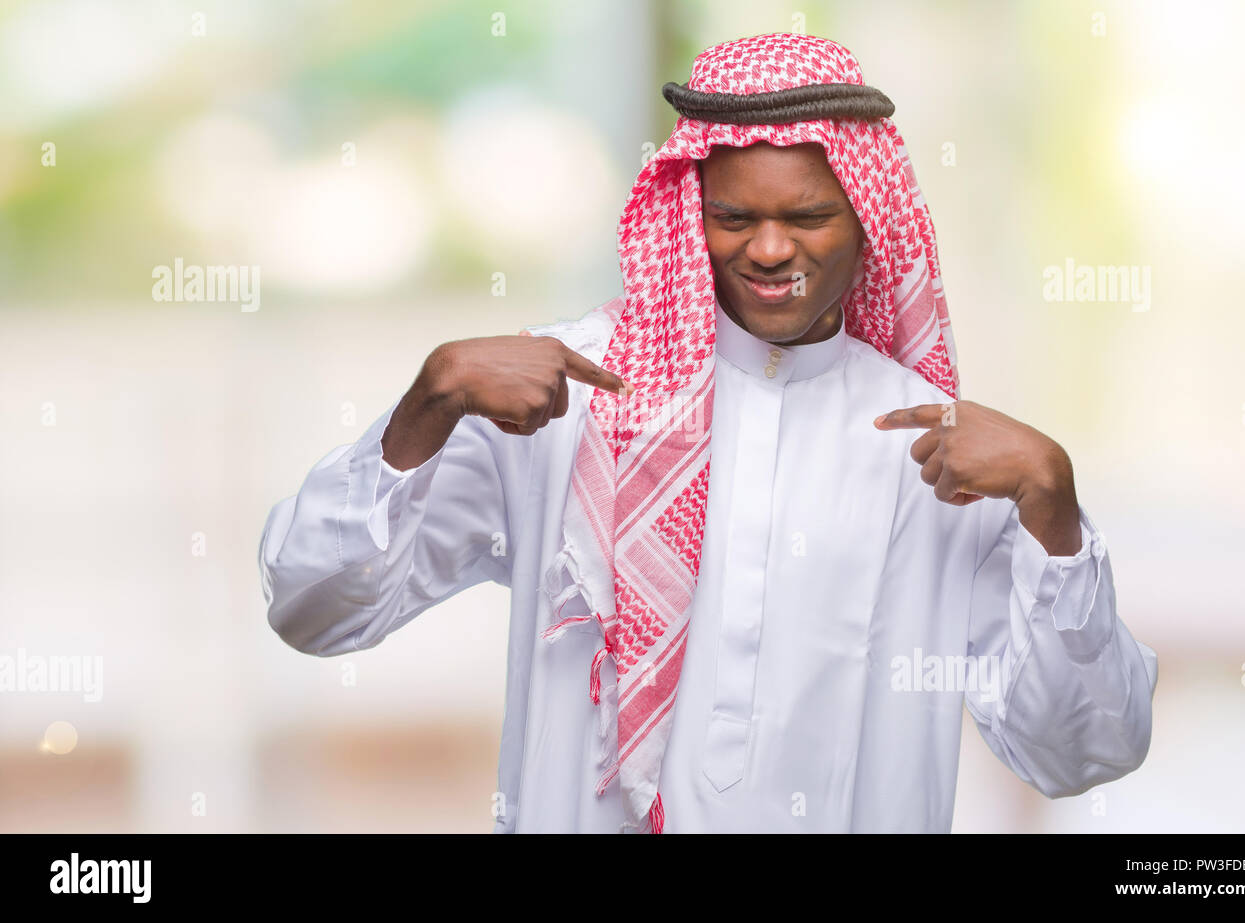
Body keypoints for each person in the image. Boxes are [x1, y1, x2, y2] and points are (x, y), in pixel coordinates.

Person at [258, 32, 1157, 834]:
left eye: (807, 215)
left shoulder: (941, 452)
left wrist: (1056, 514)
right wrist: (427, 402)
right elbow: (314, 608)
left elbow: (1083, 753)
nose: (769, 249)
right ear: (691, 212)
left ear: (869, 221)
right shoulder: (558, 391)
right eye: (734, 217)